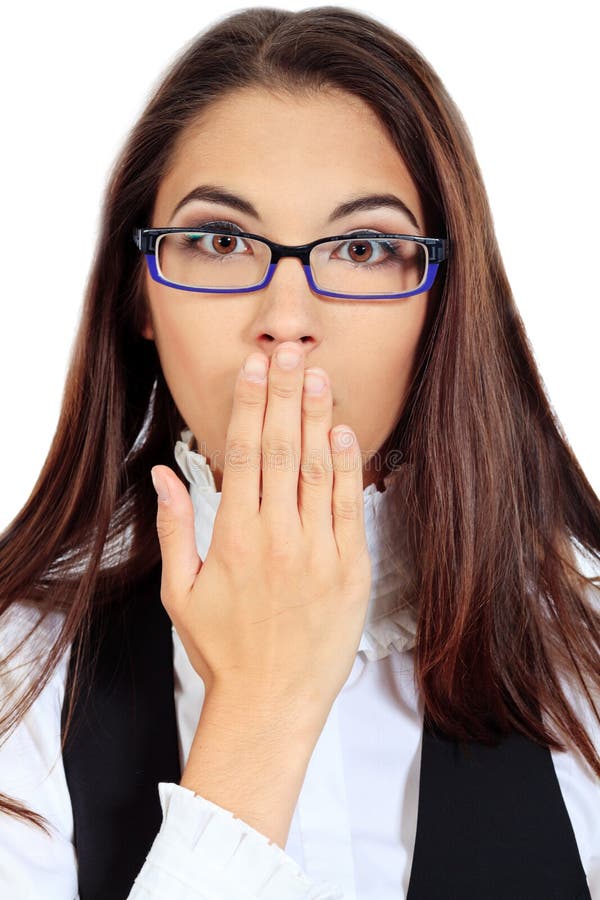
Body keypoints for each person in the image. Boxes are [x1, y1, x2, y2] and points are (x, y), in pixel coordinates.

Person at [0, 6, 599, 899]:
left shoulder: (580, 667)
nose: (286, 320)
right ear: (140, 301)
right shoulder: (20, 677)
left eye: (362, 247)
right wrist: (260, 712)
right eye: (219, 240)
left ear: (442, 305)